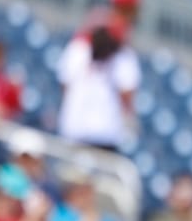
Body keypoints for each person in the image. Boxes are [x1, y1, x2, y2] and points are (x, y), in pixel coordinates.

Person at [56, 23, 139, 152]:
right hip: (79, 134)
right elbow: (128, 98)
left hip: (100, 137)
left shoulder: (120, 58)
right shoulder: (79, 51)